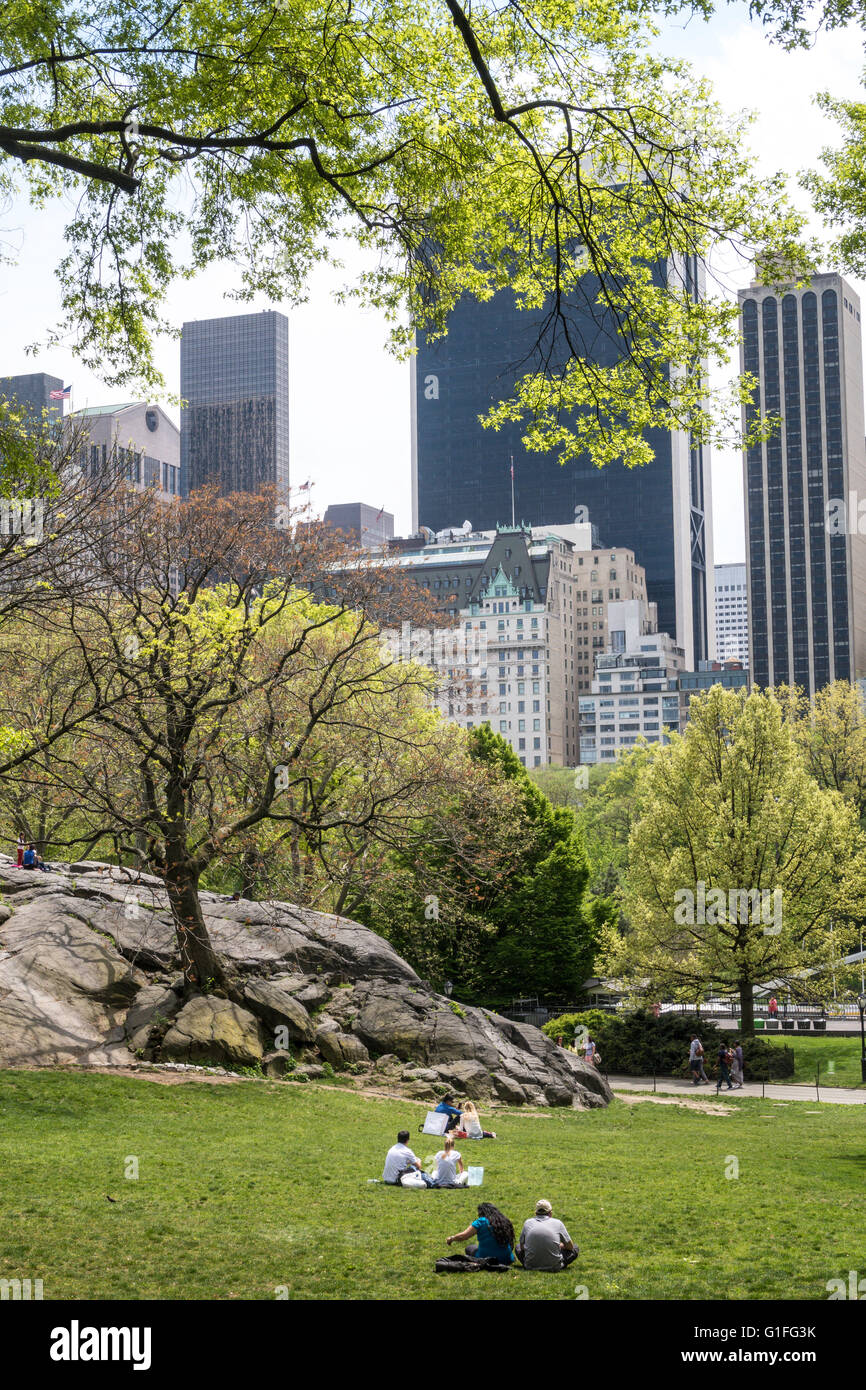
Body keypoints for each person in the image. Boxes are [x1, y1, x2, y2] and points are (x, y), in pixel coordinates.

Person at [516, 1199, 578, 1271]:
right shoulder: (558, 1223)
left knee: (517, 1247)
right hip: (555, 1266)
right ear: (550, 1213)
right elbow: (570, 1247)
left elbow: (522, 1247)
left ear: (535, 1213)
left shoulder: (527, 1223)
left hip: (530, 1265)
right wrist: (559, 1245)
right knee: (575, 1248)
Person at [446, 1203, 515, 1264]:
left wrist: (451, 1238)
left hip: (486, 1258)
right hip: (507, 1259)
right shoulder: (504, 1220)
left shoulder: (481, 1221)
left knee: (470, 1248)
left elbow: (463, 1236)